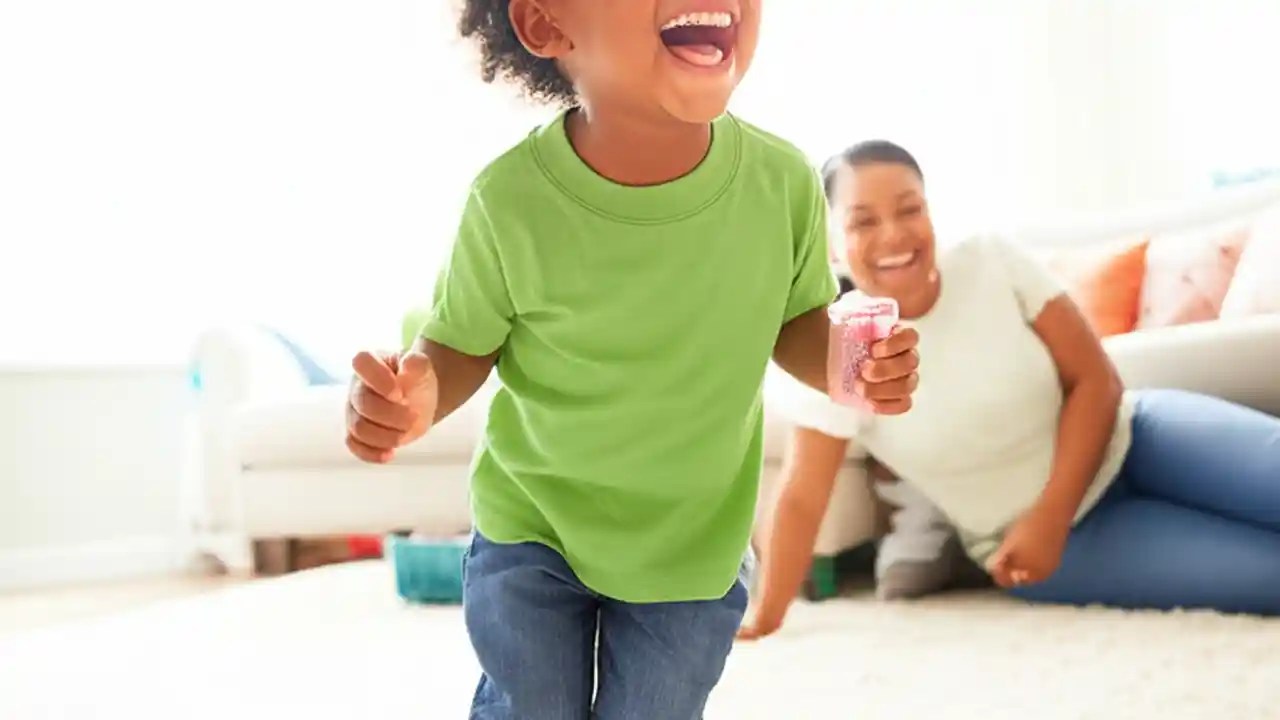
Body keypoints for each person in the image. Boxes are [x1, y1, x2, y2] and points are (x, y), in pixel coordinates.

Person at [342, 3, 922, 718]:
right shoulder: (510, 201)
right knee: (533, 706)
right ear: (546, 25)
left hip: (690, 543)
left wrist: (849, 364)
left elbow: (796, 322)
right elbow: (460, 342)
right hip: (536, 524)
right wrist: (414, 399)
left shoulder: (782, 183)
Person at [741, 139, 1280, 639]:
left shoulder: (989, 259)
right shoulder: (842, 348)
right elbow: (802, 498)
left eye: (910, 209)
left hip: (1140, 437)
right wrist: (765, 617)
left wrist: (1049, 513)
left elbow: (1096, 378)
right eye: (863, 222)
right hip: (1064, 544)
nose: (894, 235)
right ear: (834, 248)